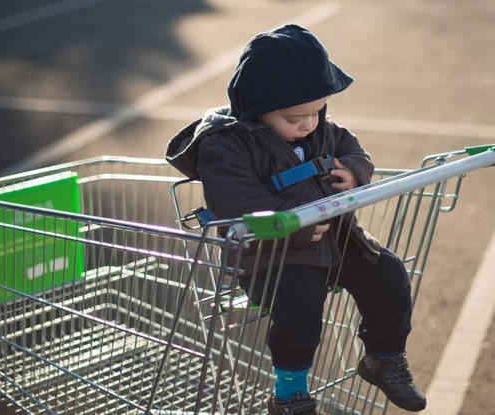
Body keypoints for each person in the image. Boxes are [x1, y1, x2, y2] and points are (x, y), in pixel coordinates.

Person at [165, 24, 426, 414]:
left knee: (387, 273)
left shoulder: (320, 129)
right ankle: (289, 392)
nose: (308, 124)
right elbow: (236, 200)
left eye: (317, 112)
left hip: (336, 243)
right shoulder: (226, 145)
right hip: (271, 257)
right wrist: (293, 223)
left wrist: (355, 170)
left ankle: (383, 357)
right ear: (256, 110)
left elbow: (352, 147)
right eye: (294, 117)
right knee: (301, 305)